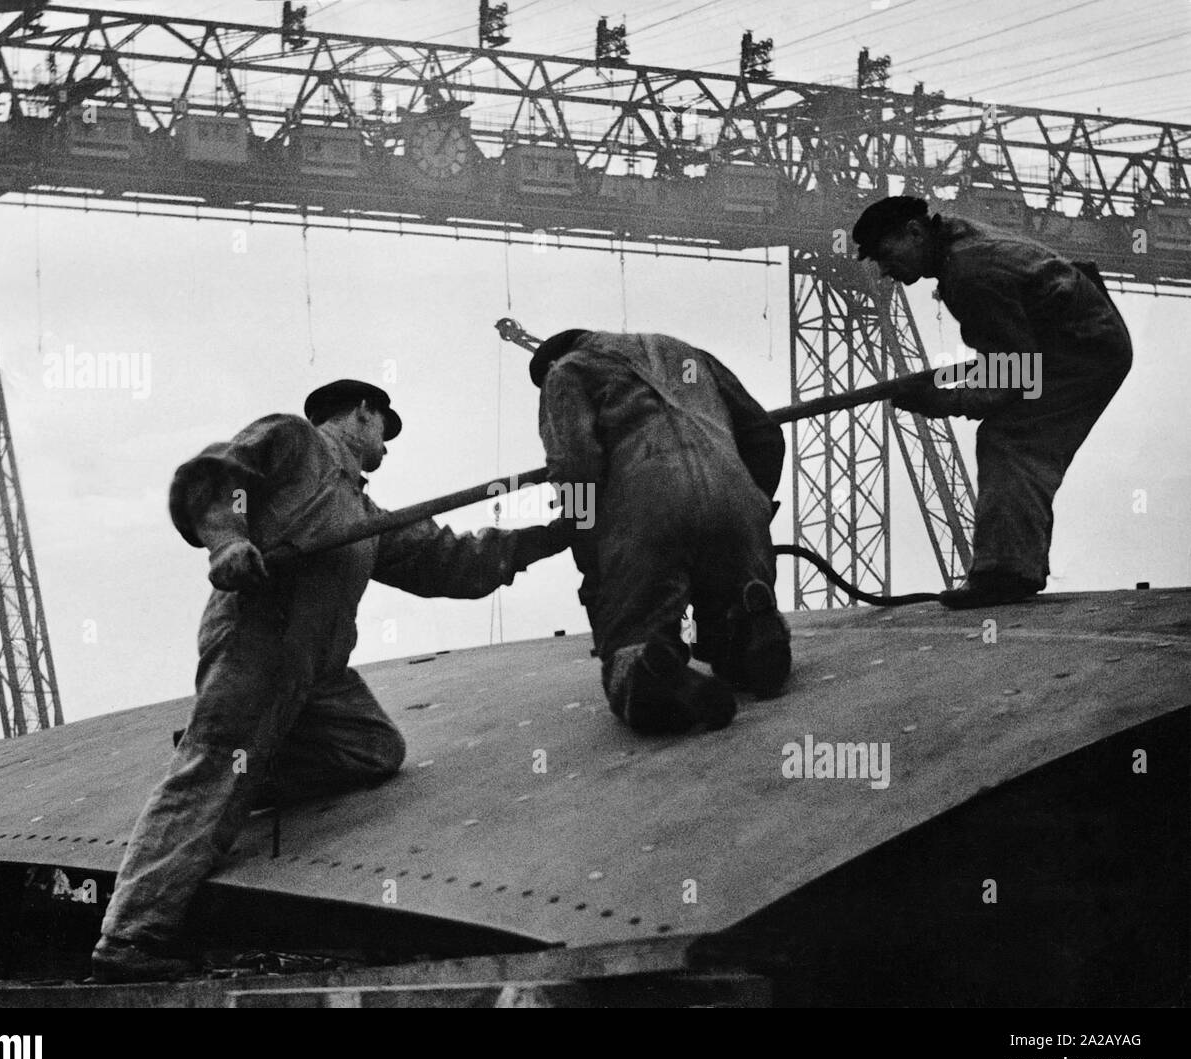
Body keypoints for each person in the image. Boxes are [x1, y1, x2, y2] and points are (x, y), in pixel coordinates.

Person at [92, 379, 570, 982]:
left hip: (317, 671)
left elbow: (454, 561)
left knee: (372, 748)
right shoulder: (293, 441)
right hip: (258, 641)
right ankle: (130, 939)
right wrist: (229, 542)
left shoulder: (364, 516)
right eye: (383, 432)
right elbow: (215, 479)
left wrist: (559, 533)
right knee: (213, 775)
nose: (386, 449)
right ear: (363, 413)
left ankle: (244, 763)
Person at [853, 195, 1133, 609]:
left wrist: (938, 399)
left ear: (914, 233)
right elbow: (1004, 357)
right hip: (1061, 336)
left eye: (885, 254)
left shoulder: (969, 272)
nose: (883, 271)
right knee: (1010, 434)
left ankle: (1005, 574)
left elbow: (1013, 379)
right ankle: (1009, 568)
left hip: (1082, 351)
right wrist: (942, 382)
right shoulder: (956, 241)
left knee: (1010, 440)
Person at [530, 329, 790, 736]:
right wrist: (752, 504)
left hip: (646, 506)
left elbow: (575, 469)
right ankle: (749, 624)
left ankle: (654, 672)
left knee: (632, 644)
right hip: (735, 495)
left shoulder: (566, 371)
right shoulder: (688, 353)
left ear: (549, 365)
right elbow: (764, 433)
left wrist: (590, 554)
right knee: (726, 607)